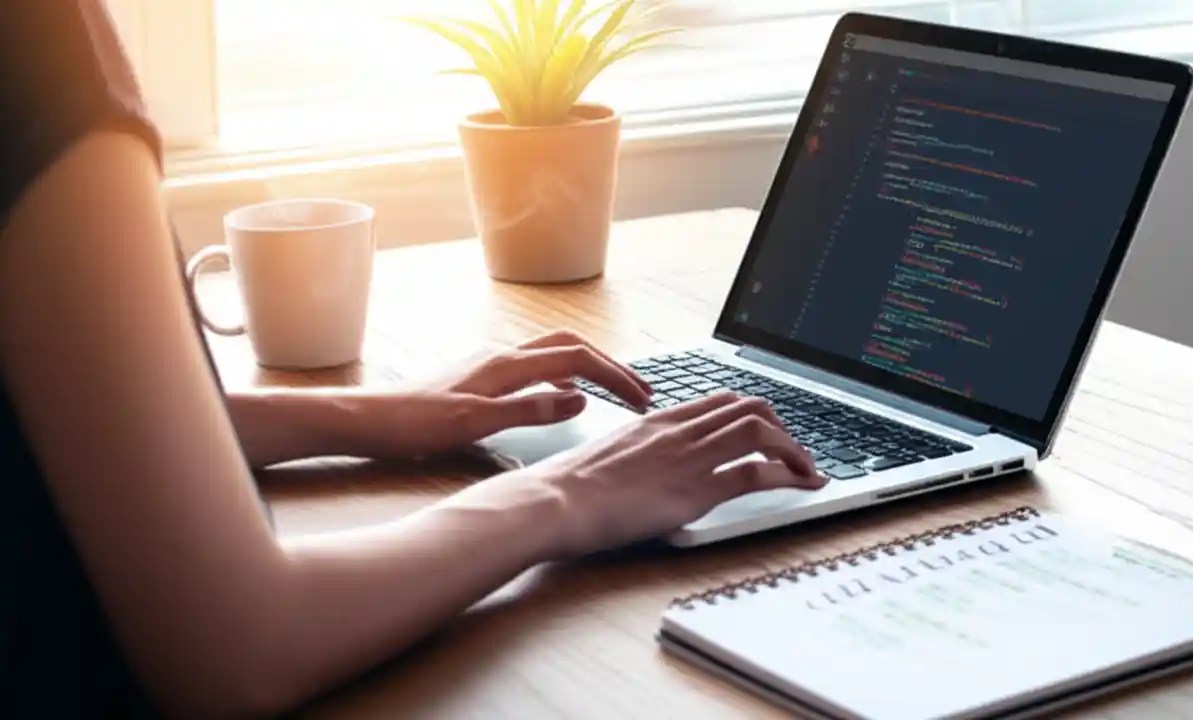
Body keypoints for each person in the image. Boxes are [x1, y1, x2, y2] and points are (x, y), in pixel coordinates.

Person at [0, 2, 826, 716]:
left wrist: (366, 414)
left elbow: (57, 429)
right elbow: (239, 643)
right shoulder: (39, 39)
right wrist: (565, 491)